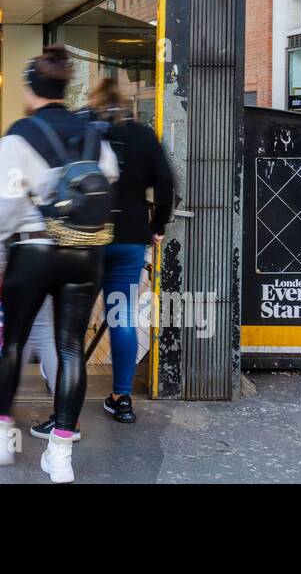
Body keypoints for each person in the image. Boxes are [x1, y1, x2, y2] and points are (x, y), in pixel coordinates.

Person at [0, 45, 115, 483]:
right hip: (85, 254)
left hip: (35, 250)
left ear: (31, 87)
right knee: (71, 347)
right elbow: (107, 180)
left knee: (11, 342)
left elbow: (0, 203)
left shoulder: (21, 134)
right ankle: (60, 455)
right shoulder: (94, 133)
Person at [89, 78, 173, 426]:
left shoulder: (89, 134)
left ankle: (65, 401)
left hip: (89, 239)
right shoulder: (142, 135)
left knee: (73, 316)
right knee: (121, 318)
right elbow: (167, 183)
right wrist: (157, 226)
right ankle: (121, 398)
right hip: (130, 239)